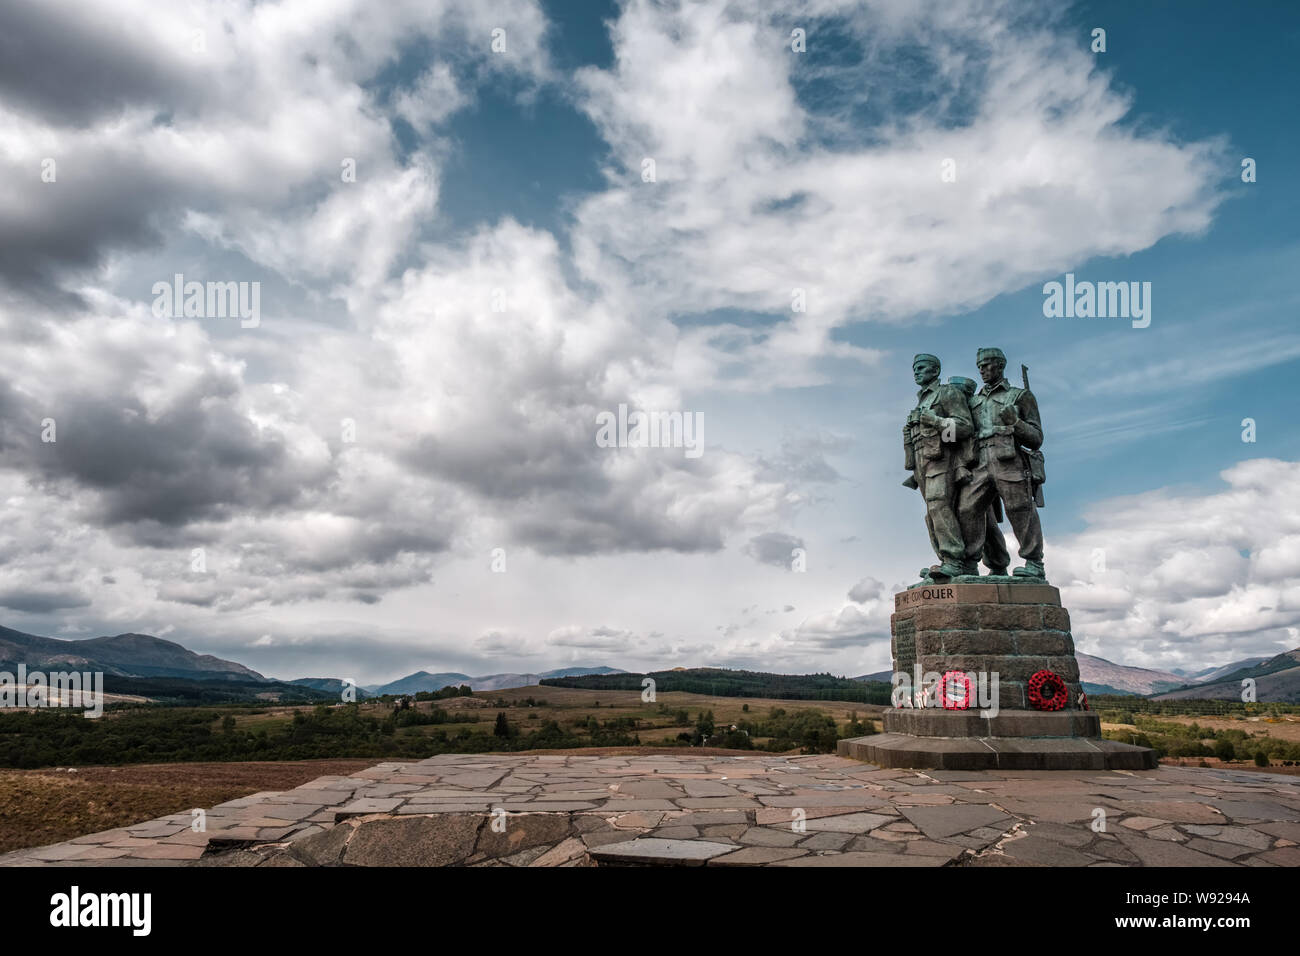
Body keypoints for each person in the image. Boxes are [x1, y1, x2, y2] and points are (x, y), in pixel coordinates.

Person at [957, 348, 1045, 579]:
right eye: (980, 366)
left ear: (1000, 365)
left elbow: (1036, 438)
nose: (983, 370)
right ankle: (981, 563)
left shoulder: (1019, 396)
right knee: (968, 508)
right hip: (979, 460)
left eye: (987, 365)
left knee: (1020, 508)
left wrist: (1015, 422)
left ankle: (1034, 563)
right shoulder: (974, 401)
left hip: (1008, 458)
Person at [902, 354, 973, 580]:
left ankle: (954, 560)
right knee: (932, 512)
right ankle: (945, 559)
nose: (917, 372)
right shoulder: (921, 400)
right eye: (915, 369)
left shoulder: (947, 393)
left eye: (922, 368)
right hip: (922, 462)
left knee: (938, 505)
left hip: (944, 458)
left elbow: (963, 427)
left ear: (935, 370)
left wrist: (936, 422)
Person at [948, 375, 1011, 575]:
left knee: (985, 520)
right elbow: (949, 442)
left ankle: (996, 563)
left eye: (956, 392)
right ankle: (962, 561)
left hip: (980, 469)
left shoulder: (976, 412)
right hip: (961, 473)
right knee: (964, 517)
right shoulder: (955, 415)